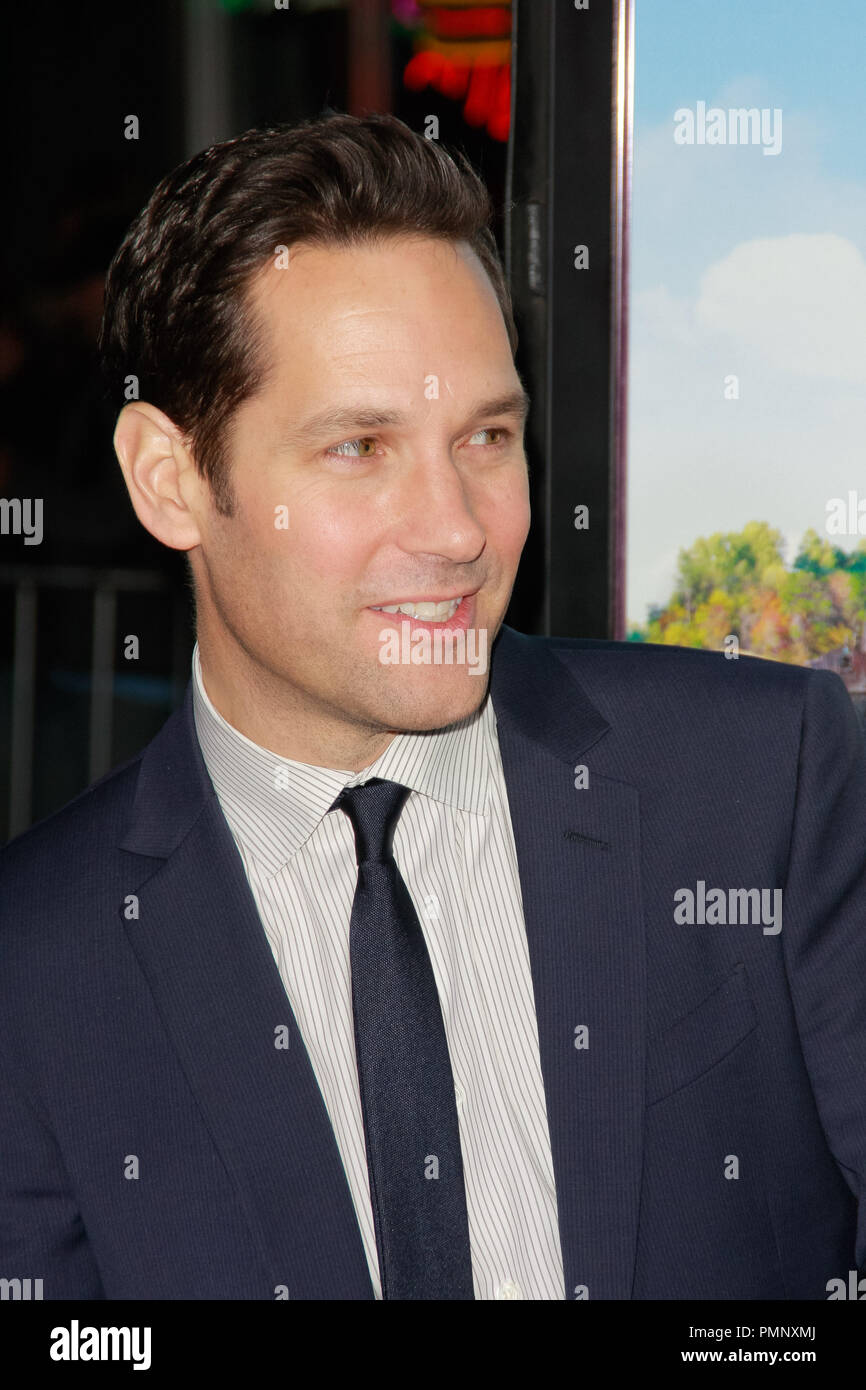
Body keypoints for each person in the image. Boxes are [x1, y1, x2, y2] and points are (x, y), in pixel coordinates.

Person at [1, 111, 865, 1302]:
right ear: (173, 478)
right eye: (360, 447)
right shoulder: (38, 965)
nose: (459, 529)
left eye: (487, 436)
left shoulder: (761, 781)